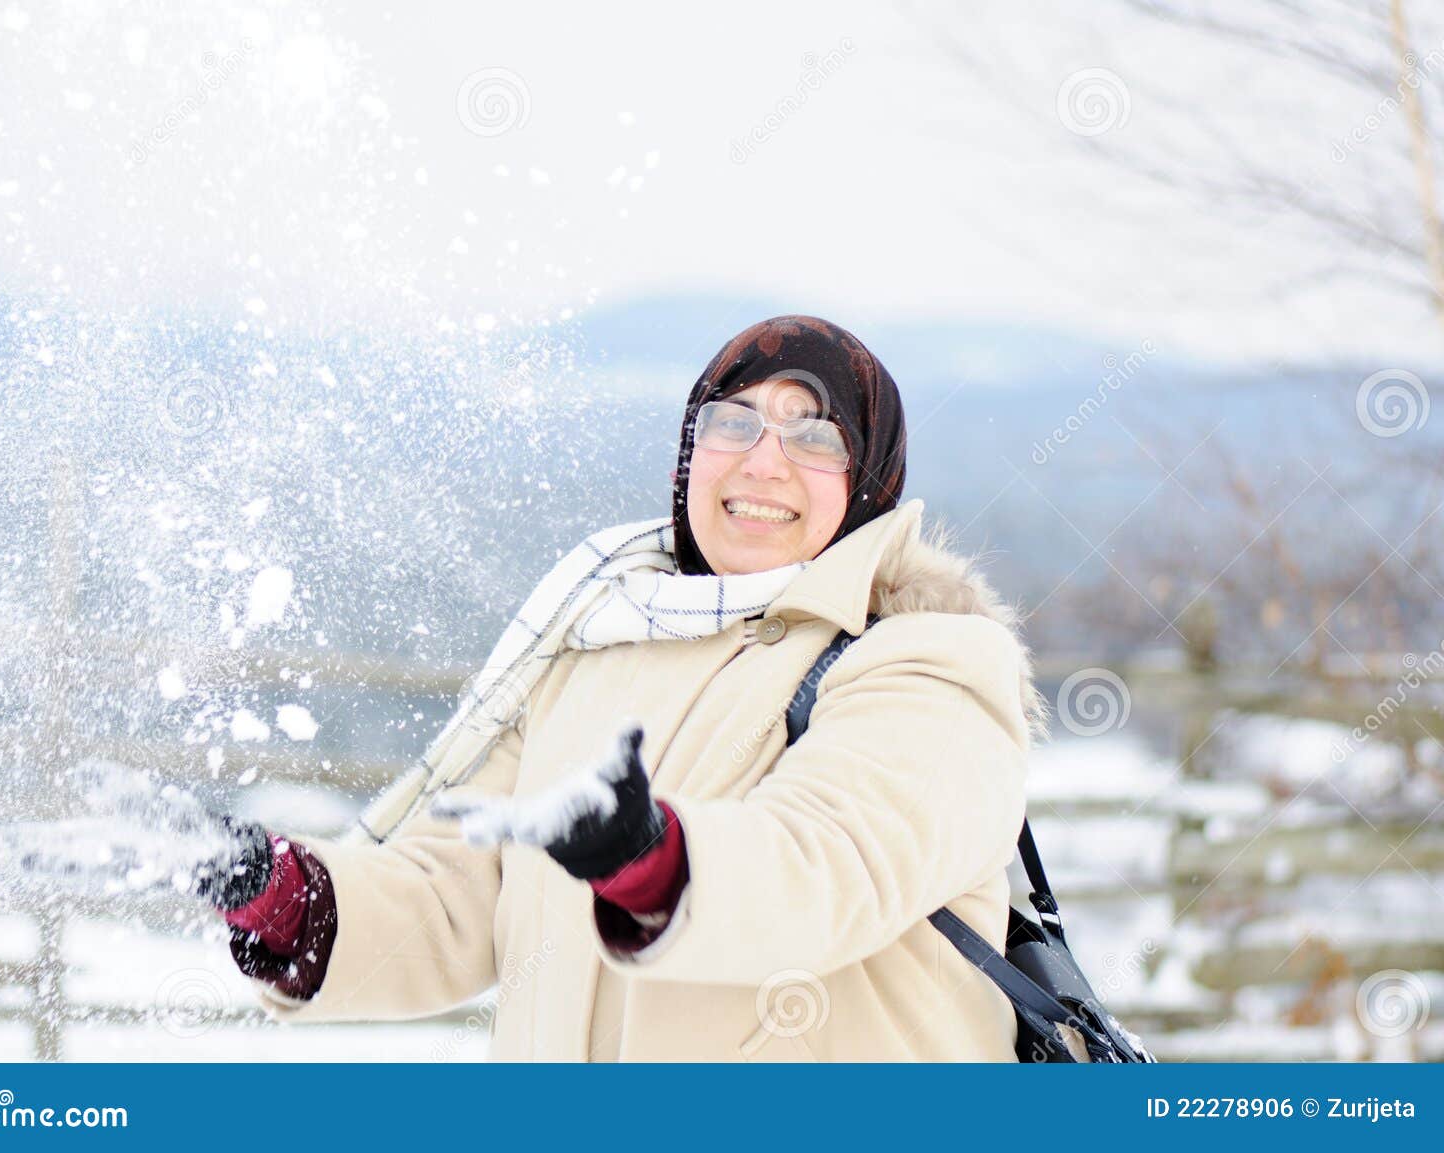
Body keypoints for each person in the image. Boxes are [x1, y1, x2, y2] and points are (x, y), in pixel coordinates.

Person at [207, 314, 1047, 1060]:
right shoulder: (593, 639)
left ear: (870, 475)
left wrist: (650, 860)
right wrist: (272, 890)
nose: (764, 461)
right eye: (732, 421)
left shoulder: (930, 659)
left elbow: (826, 867)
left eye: (814, 434)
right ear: (691, 450)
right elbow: (456, 895)